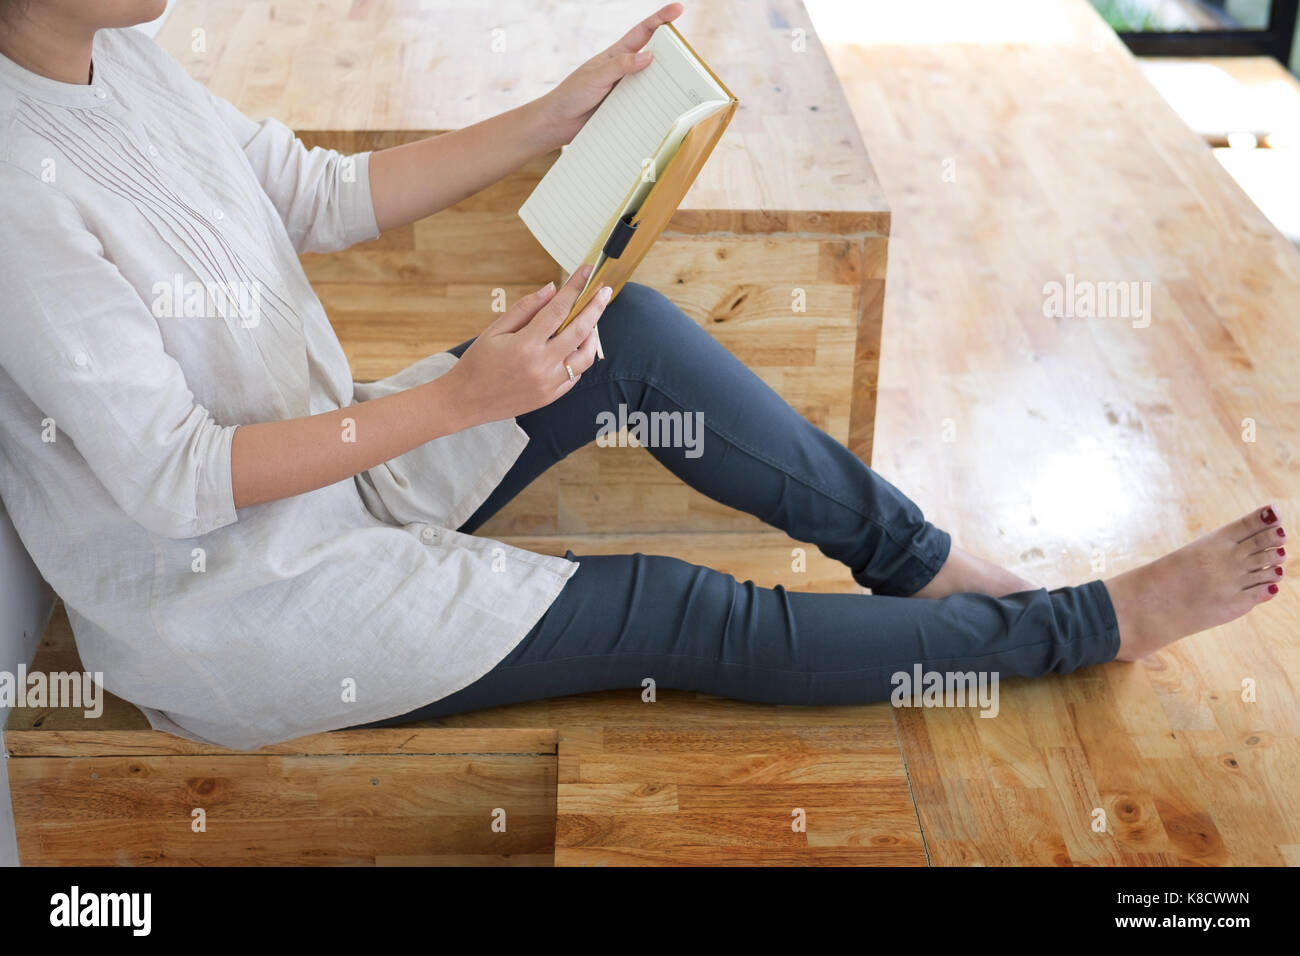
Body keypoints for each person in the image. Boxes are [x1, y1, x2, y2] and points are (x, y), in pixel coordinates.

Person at [0, 0, 1285, 750]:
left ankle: (922, 558)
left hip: (346, 472)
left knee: (639, 335)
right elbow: (172, 483)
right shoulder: (17, 189)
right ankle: (1081, 627)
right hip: (241, 605)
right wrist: (453, 403)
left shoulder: (124, 57)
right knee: (676, 610)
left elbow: (317, 192)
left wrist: (556, 113)